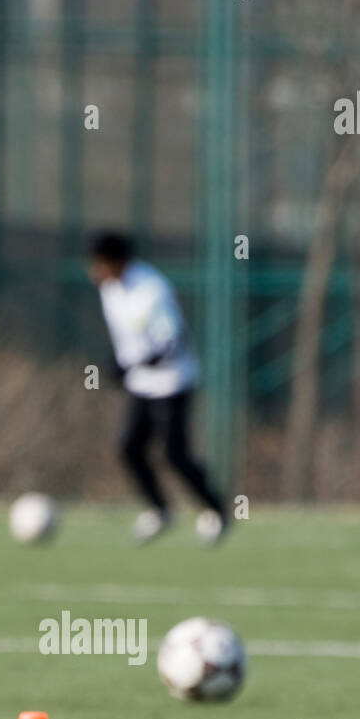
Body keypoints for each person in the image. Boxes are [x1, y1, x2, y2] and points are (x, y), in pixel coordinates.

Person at [87, 231, 227, 545]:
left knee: (175, 455)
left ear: (117, 261)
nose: (95, 271)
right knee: (129, 448)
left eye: (100, 263)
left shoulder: (152, 288)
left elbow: (171, 341)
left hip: (173, 381)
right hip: (143, 385)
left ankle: (216, 510)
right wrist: (119, 362)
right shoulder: (110, 289)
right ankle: (159, 510)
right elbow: (127, 337)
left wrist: (133, 364)